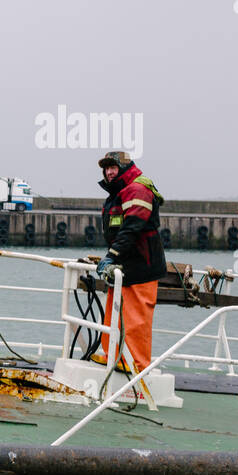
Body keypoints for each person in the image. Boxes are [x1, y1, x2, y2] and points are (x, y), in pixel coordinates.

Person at [92, 150, 166, 373]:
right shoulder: (119, 192)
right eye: (106, 168)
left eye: (113, 167)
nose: (109, 172)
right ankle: (114, 355)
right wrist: (112, 258)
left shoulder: (136, 189)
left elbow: (133, 226)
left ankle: (136, 363)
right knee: (112, 313)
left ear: (125, 168)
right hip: (123, 268)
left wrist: (111, 255)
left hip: (141, 267)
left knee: (136, 320)